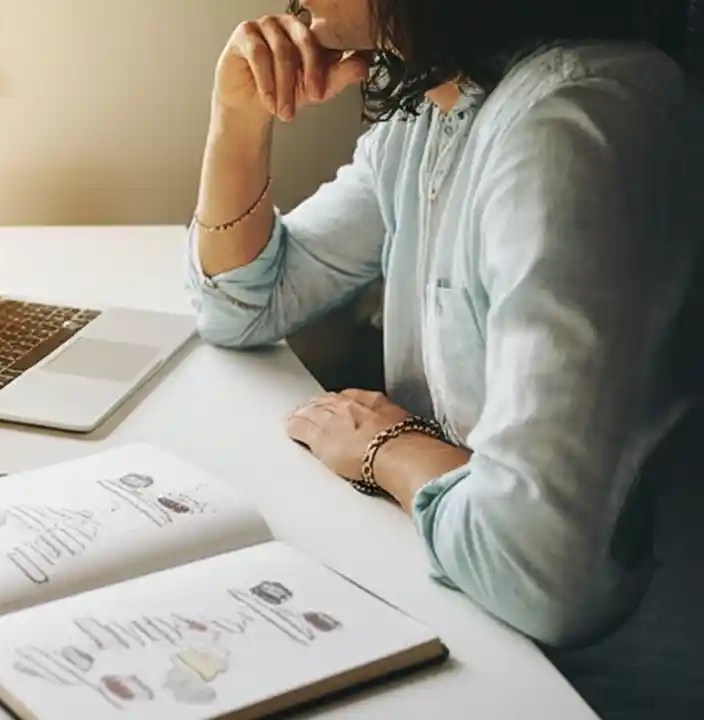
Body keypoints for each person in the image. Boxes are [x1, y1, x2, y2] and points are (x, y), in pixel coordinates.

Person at [186, 1, 704, 717]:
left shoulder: (576, 126)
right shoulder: (436, 111)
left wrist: (386, 449)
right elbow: (241, 303)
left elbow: (542, 571)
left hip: (596, 682)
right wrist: (238, 118)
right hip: (477, 612)